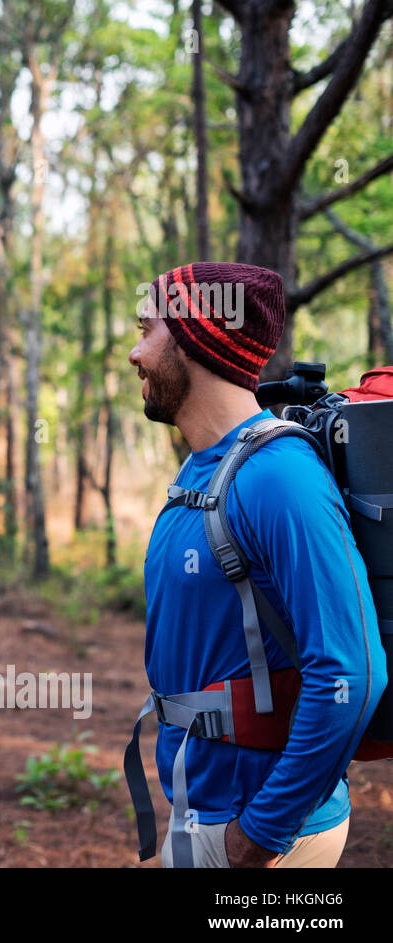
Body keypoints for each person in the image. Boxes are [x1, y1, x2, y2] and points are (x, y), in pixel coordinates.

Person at [128, 261, 388, 868]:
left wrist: (261, 833)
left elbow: (353, 670)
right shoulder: (204, 467)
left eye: (148, 330)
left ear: (194, 340)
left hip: (257, 833)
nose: (136, 353)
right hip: (204, 811)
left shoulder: (279, 476)